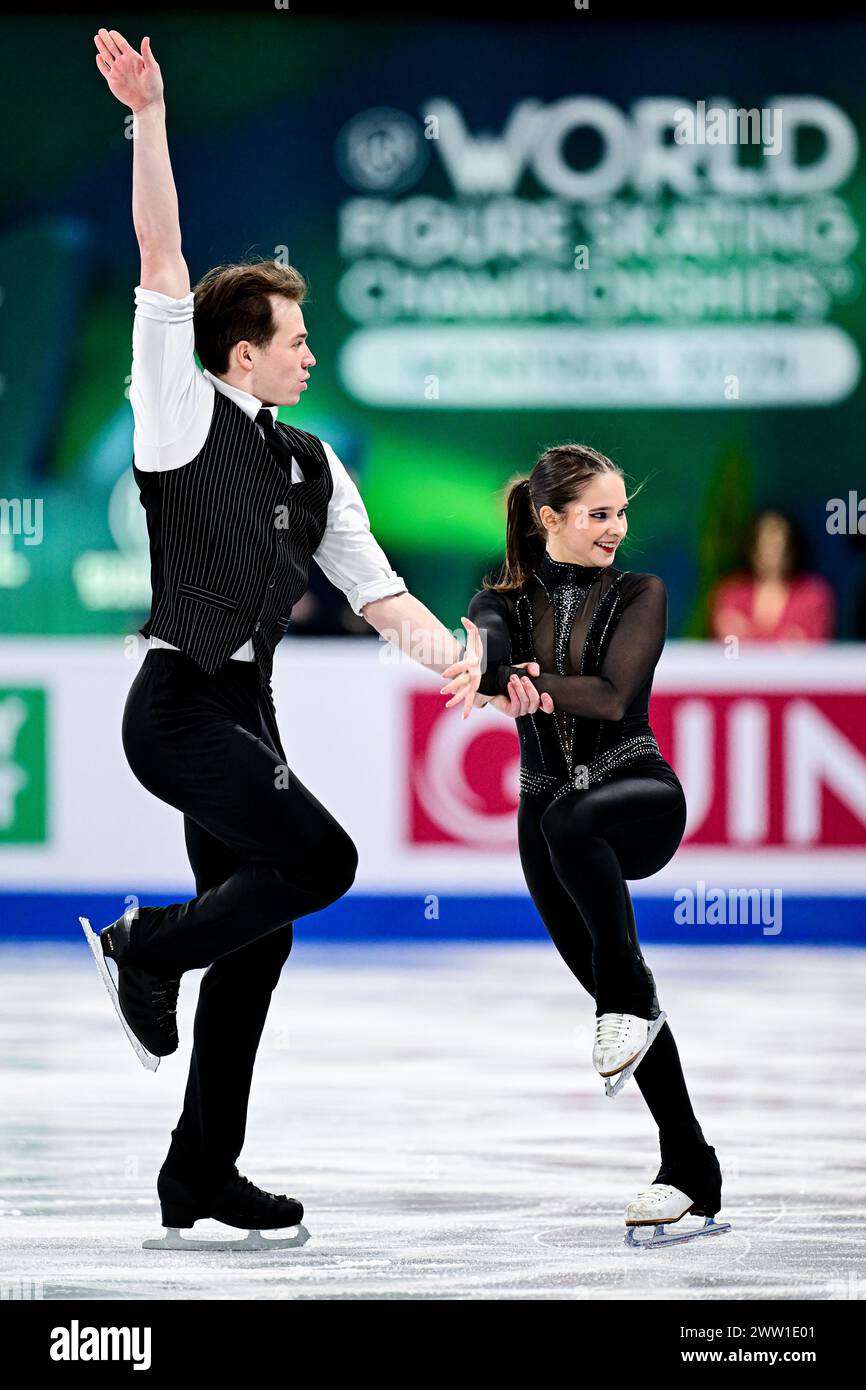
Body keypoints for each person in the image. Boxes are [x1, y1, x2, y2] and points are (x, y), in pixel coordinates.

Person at [88, 28, 482, 1246]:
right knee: (322, 864)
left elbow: (377, 596)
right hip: (178, 707)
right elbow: (162, 251)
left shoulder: (316, 467)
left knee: (258, 943)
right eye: (294, 336)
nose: (313, 350)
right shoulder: (176, 408)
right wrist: (148, 114)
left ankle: (196, 1173)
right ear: (239, 348)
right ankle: (143, 944)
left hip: (247, 714)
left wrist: (458, 657)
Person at [439, 443, 727, 1243]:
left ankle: (625, 998)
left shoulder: (642, 592)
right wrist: (488, 666)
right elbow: (490, 646)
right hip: (546, 825)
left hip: (636, 796)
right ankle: (690, 1168)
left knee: (580, 836)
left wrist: (526, 679)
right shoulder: (503, 597)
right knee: (624, 991)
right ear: (549, 520)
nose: (615, 529)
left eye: (619, 513)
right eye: (598, 514)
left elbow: (611, 695)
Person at [710, 509, 835, 642]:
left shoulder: (813, 595)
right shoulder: (731, 595)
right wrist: (783, 638)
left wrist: (749, 635)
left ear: (792, 549)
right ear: (752, 549)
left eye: (780, 544)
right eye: (766, 544)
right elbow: (731, 646)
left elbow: (808, 647)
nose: (774, 553)